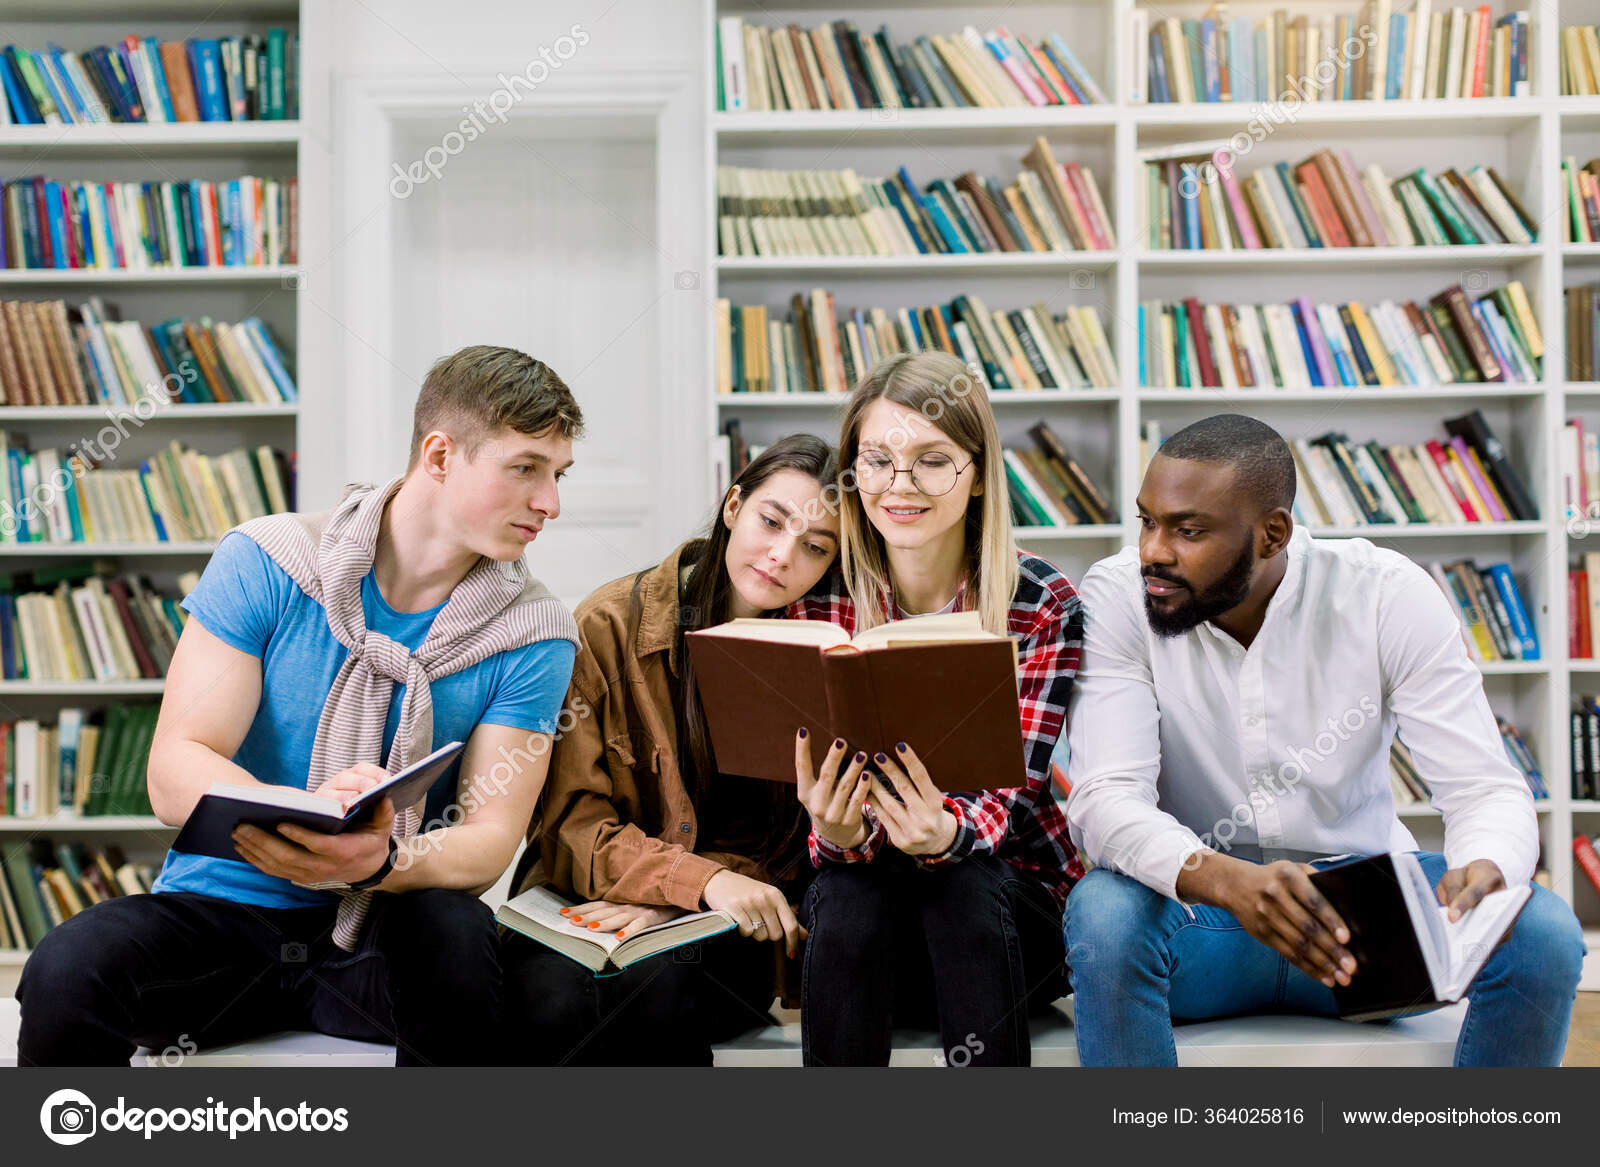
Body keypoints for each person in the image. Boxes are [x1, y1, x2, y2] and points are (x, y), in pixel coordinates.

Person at [18, 345, 584, 1067]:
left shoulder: (535, 632)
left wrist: (375, 861)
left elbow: (490, 836)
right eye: (526, 467)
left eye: (558, 474)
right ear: (440, 455)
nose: (551, 503)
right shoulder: (270, 558)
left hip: (381, 926)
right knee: (66, 968)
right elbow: (174, 772)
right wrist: (309, 816)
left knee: (457, 936)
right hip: (223, 915)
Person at [1062, 412, 1586, 1067]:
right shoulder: (1119, 597)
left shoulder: (1384, 594)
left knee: (1543, 932)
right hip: (1199, 918)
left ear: (1272, 533)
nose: (1153, 551)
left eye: (1188, 530)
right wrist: (1230, 882)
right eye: (1147, 521)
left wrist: (1485, 866)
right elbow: (1106, 797)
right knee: (1105, 916)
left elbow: (1483, 787)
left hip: (1361, 929)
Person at [501, 434, 842, 1065]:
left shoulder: (824, 655)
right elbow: (572, 825)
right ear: (733, 505)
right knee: (550, 1004)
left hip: (726, 929)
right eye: (772, 521)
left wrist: (688, 902)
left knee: (660, 988)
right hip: (580, 906)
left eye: (815, 547)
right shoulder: (608, 625)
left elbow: (800, 847)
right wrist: (692, 881)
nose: (781, 555)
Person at [788, 350, 1084, 1067]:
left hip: (1009, 915)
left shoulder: (1040, 603)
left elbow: (1004, 804)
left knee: (961, 879)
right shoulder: (818, 598)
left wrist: (944, 834)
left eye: (932, 460)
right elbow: (827, 820)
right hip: (874, 921)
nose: (900, 485)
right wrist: (838, 830)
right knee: (850, 890)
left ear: (978, 473)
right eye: (878, 460)